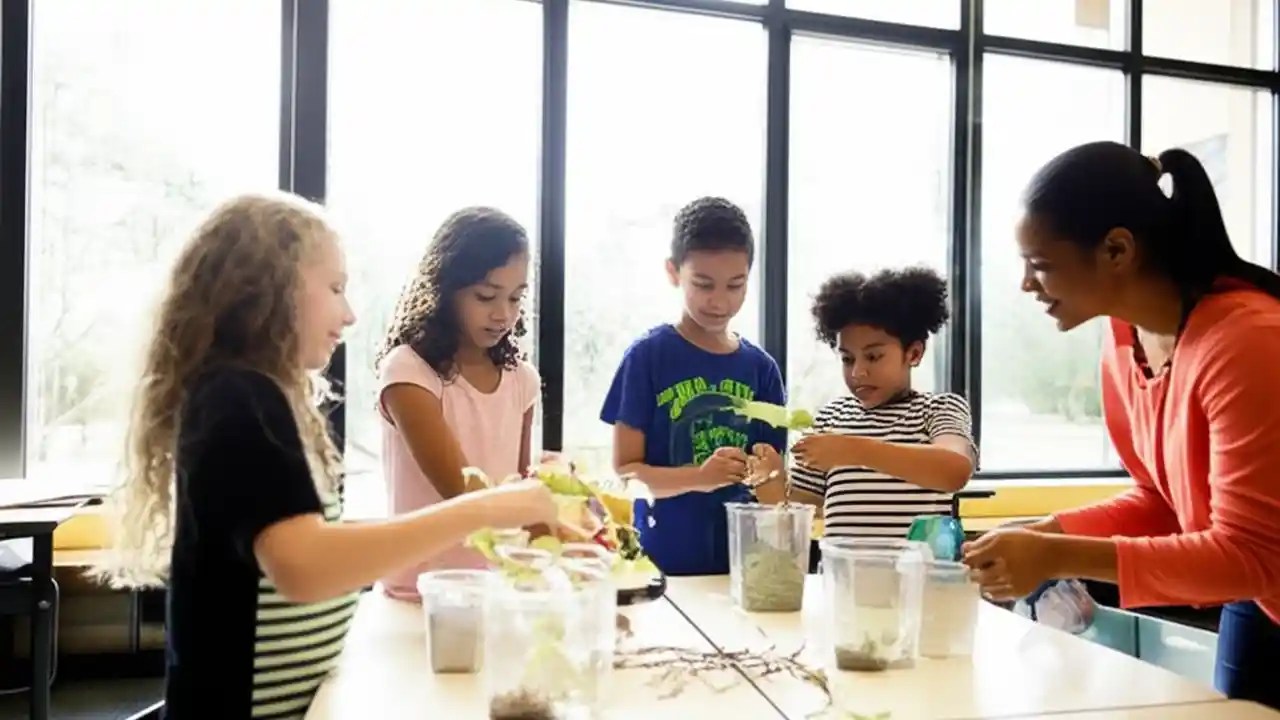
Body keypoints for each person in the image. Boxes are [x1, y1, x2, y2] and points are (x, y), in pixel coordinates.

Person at [96, 194, 556, 719]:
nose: (350, 313)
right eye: (335, 288)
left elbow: (300, 542)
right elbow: (304, 566)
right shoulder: (238, 399)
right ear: (267, 292)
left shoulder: (260, 398)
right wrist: (492, 508)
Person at [962, 141, 1280, 708]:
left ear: (1116, 249)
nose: (1026, 286)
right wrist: (1048, 533)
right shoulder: (1124, 340)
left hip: (1258, 574)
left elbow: (1253, 554)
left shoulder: (1248, 341)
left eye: (1040, 265)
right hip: (1259, 599)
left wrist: (1057, 556)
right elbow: (1165, 502)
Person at [601, 196, 787, 576]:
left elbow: (774, 491)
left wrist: (767, 475)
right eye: (703, 284)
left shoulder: (761, 370)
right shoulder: (648, 357)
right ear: (673, 272)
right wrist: (701, 478)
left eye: (736, 285)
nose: (720, 301)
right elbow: (627, 472)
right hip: (658, 565)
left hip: (740, 568)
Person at [374, 207, 543, 600]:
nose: (503, 314)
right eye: (486, 296)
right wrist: (546, 505)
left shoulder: (522, 379)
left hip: (496, 589)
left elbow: (521, 484)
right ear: (446, 289)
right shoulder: (409, 373)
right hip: (418, 593)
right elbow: (463, 492)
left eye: (516, 297)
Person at [752, 267, 976, 539]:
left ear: (914, 353)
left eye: (873, 357)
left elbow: (955, 470)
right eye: (847, 359)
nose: (858, 372)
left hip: (918, 579)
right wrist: (769, 480)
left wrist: (854, 450)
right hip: (845, 577)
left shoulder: (938, 409)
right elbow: (799, 510)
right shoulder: (832, 418)